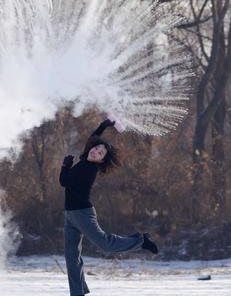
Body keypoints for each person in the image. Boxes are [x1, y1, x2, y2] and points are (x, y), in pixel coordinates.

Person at [59, 118, 158, 296]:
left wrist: (65, 165)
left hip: (82, 214)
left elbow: (64, 182)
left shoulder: (88, 169)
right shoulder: (86, 159)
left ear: (101, 160)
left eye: (100, 153)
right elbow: (92, 138)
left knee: (105, 244)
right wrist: (104, 125)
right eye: (96, 148)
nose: (96, 151)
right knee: (71, 257)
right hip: (70, 215)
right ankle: (78, 292)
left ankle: (141, 241)